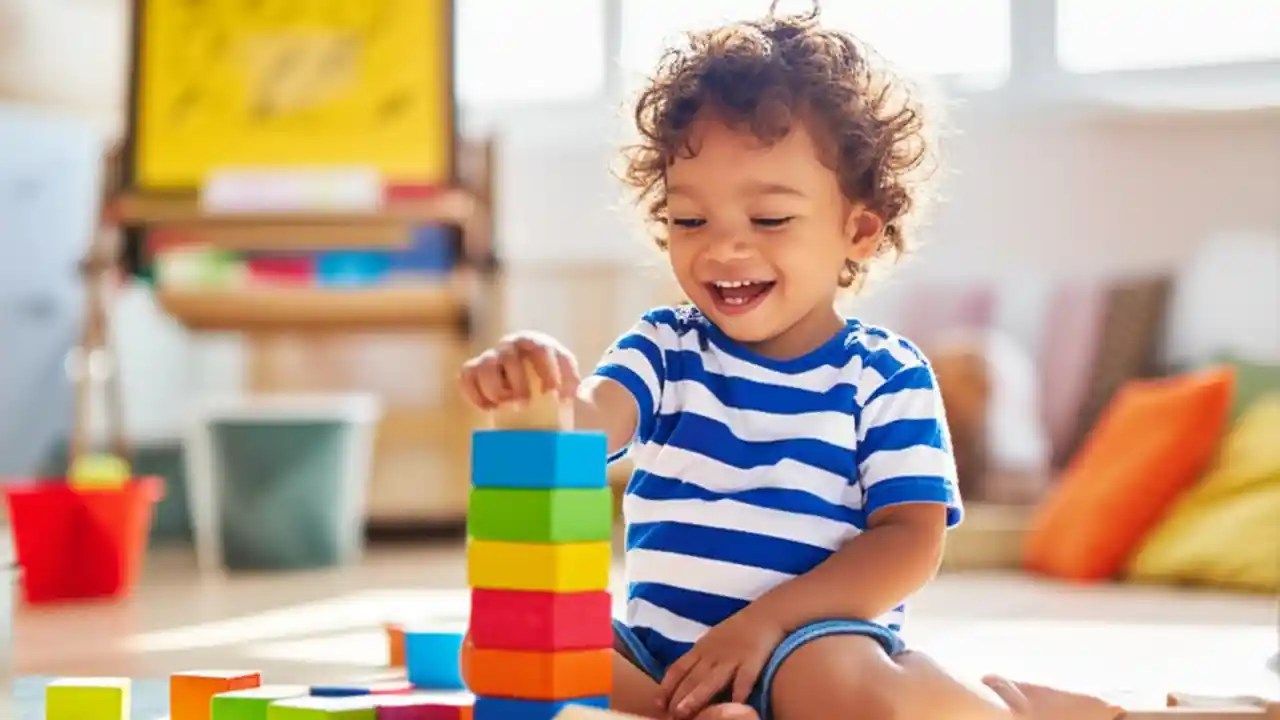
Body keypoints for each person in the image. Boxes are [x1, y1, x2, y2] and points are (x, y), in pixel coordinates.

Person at [459, 4, 1120, 719]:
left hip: (808, 643)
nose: (723, 249)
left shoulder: (884, 375)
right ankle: (679, 710)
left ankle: (1005, 708)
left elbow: (911, 540)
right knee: (504, 646)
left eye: (769, 219)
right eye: (689, 220)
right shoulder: (662, 348)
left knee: (833, 684)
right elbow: (580, 428)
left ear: (858, 230)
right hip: (661, 655)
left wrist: (767, 621)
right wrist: (533, 386)